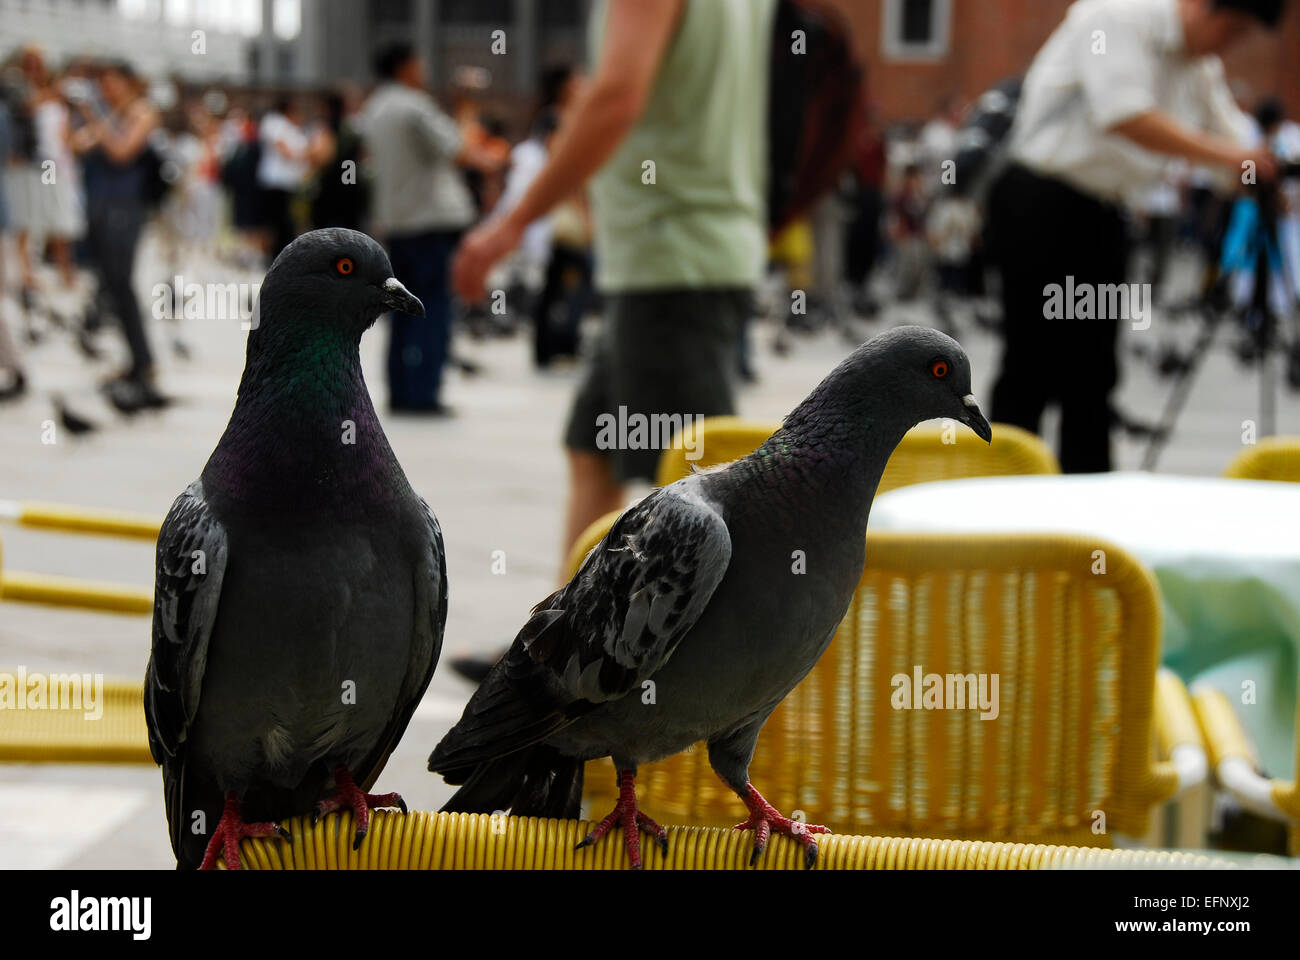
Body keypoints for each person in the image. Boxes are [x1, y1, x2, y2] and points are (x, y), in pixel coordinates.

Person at [987, 0, 1285, 473]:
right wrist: (1233, 160)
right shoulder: (1116, 16)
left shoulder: (1199, 67)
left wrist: (1260, 175)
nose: (1229, 44)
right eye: (1230, 28)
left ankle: (1085, 511)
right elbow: (1124, 114)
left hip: (1104, 215)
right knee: (1031, 363)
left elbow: (1233, 145)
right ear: (1200, 7)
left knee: (1094, 373)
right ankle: (1000, 499)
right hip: (1040, 202)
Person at [359, 43, 500, 415]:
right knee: (434, 307)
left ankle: (400, 389)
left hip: (398, 221)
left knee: (398, 308)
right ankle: (425, 392)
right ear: (406, 66)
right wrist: (466, 106)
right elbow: (458, 149)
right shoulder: (414, 105)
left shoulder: (375, 108)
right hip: (432, 222)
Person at [70, 59, 161, 404]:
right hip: (98, 205)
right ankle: (137, 358)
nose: (107, 90)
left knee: (122, 282)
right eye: (102, 84)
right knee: (110, 281)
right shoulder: (105, 115)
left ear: (127, 82)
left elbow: (122, 151)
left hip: (126, 208)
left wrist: (96, 117)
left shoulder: (141, 112)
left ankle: (144, 360)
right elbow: (76, 145)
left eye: (112, 83)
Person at [255, 96, 309, 259]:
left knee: (287, 224)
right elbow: (285, 150)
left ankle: (284, 255)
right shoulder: (274, 122)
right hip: (274, 182)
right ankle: (271, 256)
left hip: (289, 184)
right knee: (273, 224)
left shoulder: (295, 130)